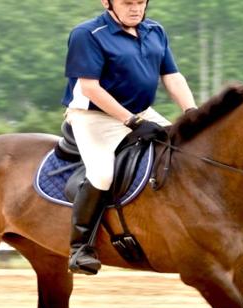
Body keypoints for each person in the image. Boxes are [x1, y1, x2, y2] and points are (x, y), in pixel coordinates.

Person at [62, 0, 198, 274]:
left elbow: (171, 76)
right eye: (127, 2)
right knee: (102, 174)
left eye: (140, 2)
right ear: (106, 2)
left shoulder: (155, 30)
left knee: (186, 153)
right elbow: (89, 88)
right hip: (94, 116)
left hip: (141, 112)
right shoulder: (87, 34)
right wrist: (130, 121)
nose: (136, 8)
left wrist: (192, 111)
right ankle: (81, 247)